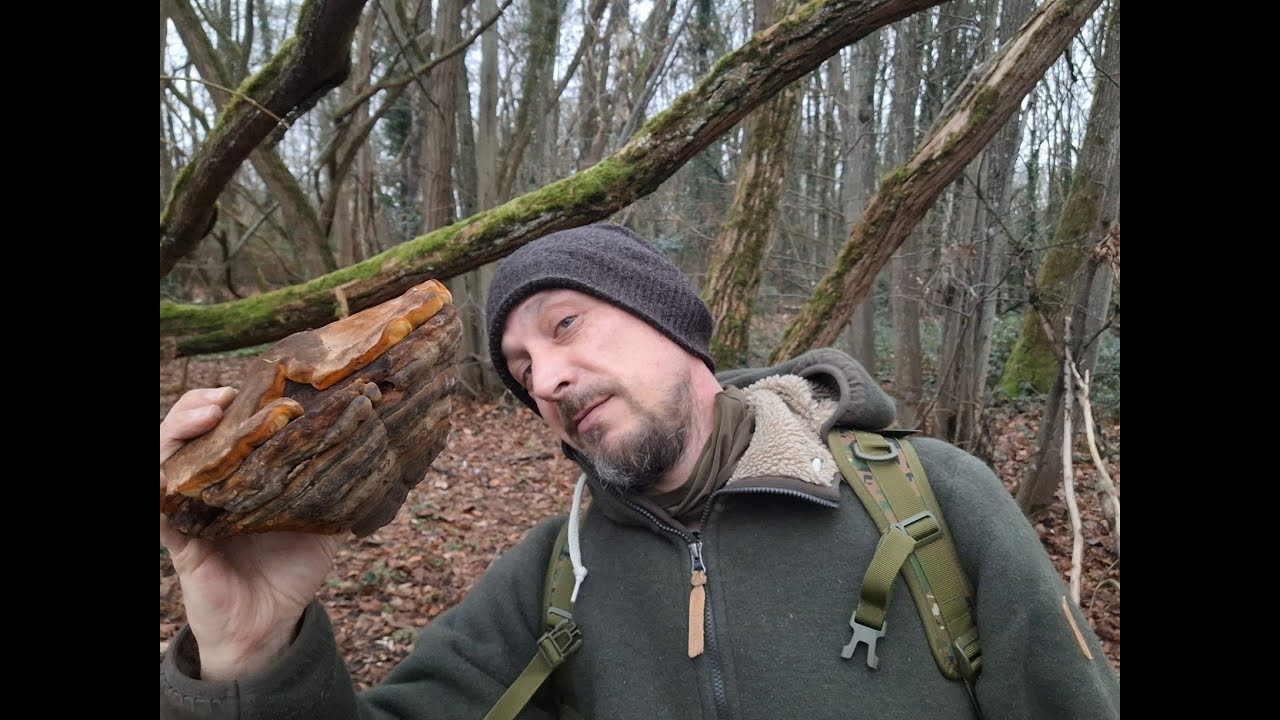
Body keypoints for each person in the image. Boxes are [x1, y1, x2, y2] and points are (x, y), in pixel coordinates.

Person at [160, 223, 1120, 719]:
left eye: (565, 324)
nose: (551, 378)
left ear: (672, 322)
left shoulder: (932, 501)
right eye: (523, 371)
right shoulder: (547, 582)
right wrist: (250, 649)